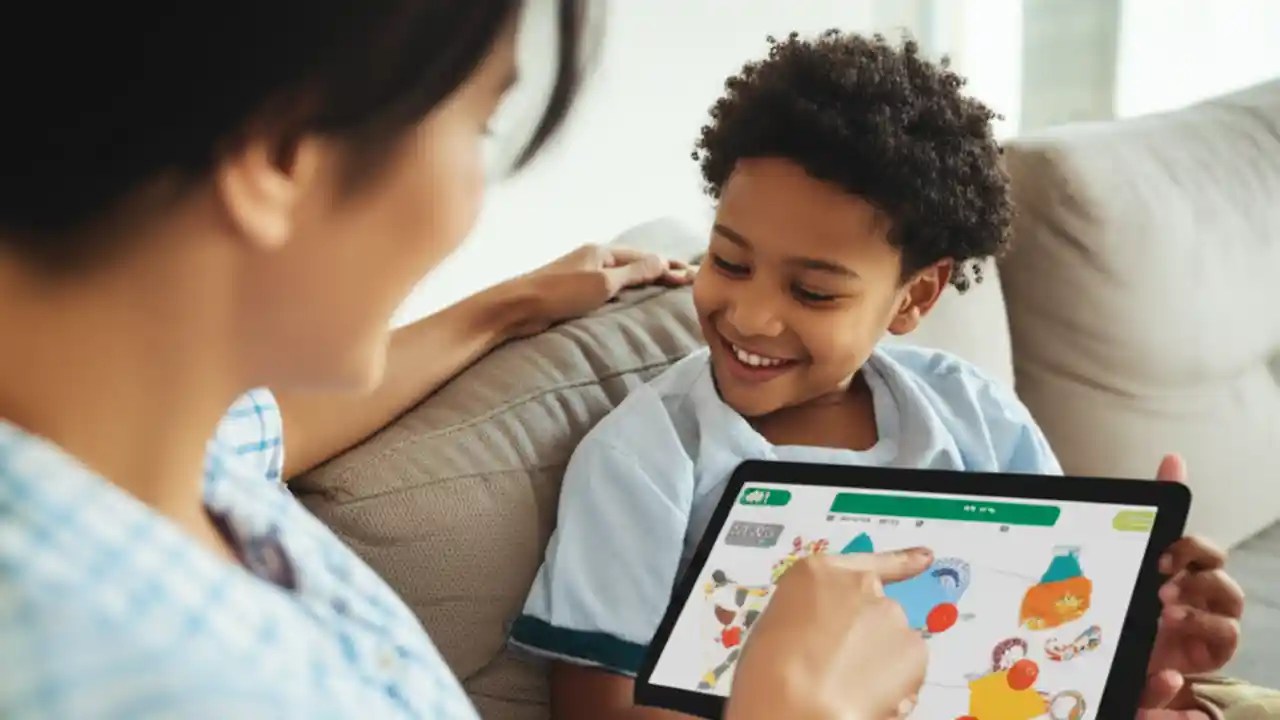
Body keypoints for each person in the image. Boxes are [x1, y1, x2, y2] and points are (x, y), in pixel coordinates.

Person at [0, 2, 938, 719]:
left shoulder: (145, 440)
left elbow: (265, 423)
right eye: (479, 125)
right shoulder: (111, 665)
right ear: (283, 152)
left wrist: (509, 305)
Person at [509, 31, 1246, 720]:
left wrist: (1140, 643)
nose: (752, 315)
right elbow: (598, 710)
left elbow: (1047, 634)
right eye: (729, 261)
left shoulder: (974, 414)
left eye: (813, 292)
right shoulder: (648, 459)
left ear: (915, 297)